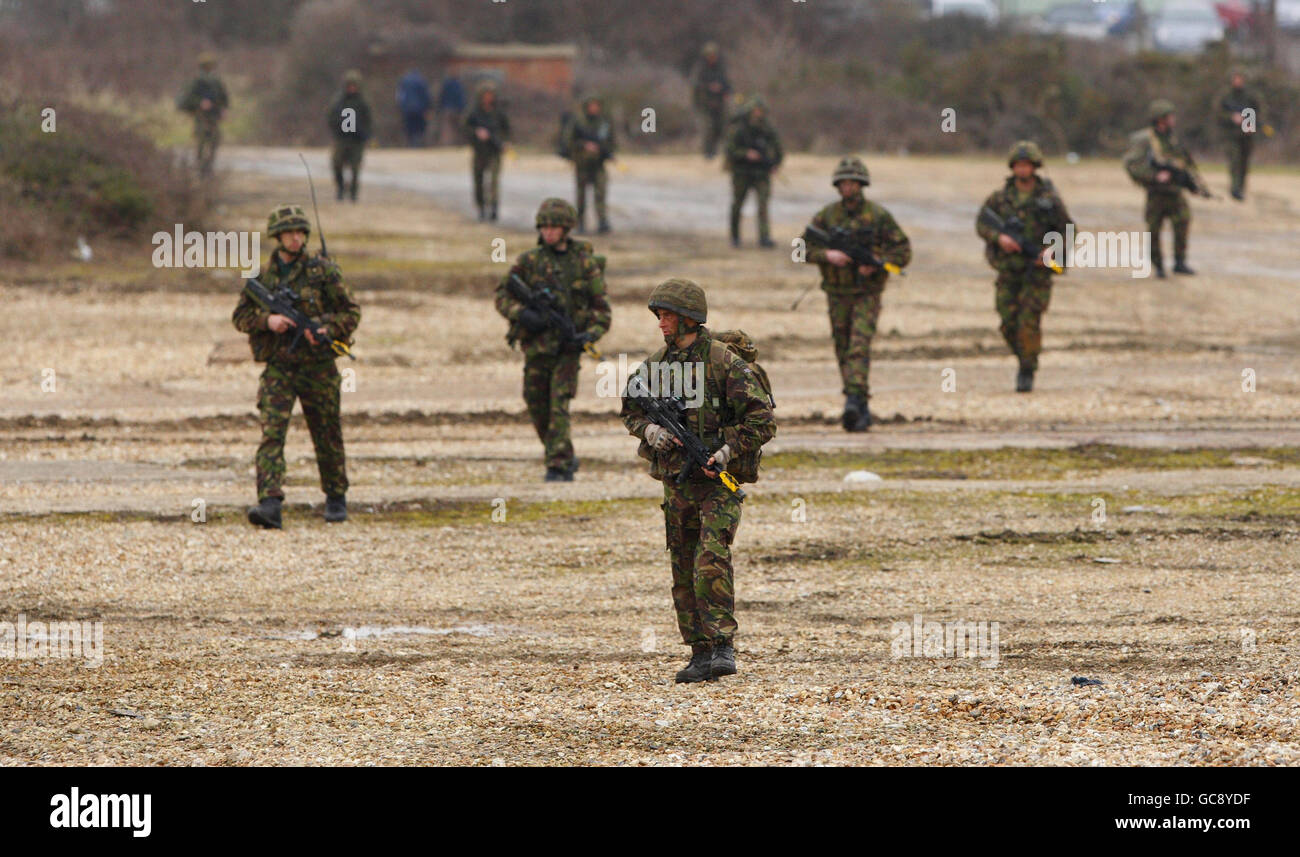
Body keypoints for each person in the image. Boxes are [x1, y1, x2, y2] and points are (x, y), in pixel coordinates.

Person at [620, 278, 776, 683]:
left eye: (667, 315)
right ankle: (699, 651)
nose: (661, 323)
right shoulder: (655, 367)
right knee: (683, 564)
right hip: (677, 483)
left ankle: (722, 644)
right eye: (659, 315)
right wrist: (651, 433)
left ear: (689, 318)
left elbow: (761, 420)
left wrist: (725, 450)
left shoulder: (725, 363)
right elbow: (631, 408)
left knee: (711, 557)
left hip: (717, 482)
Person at [232, 205, 361, 528]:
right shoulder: (263, 277)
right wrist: (268, 320)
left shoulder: (324, 272)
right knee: (272, 432)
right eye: (289, 232)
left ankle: (335, 496)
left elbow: (351, 312)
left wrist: (325, 330)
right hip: (280, 367)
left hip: (318, 366)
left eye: (300, 232)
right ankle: (270, 502)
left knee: (327, 431)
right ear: (277, 237)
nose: (295, 238)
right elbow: (240, 317)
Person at [494, 199, 610, 482]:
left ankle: (557, 465)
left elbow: (602, 312)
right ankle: (562, 454)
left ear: (566, 228)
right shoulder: (529, 261)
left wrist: (587, 336)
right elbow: (502, 294)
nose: (548, 232)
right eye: (544, 226)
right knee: (535, 403)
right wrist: (522, 314)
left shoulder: (584, 264)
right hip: (536, 345)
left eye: (554, 226)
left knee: (559, 404)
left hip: (566, 350)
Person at [804, 157, 911, 429]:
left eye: (853, 182)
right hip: (837, 292)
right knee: (842, 347)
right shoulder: (827, 216)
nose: (848, 187)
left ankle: (853, 400)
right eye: (844, 182)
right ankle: (859, 404)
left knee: (858, 346)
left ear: (861, 184)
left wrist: (875, 263)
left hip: (867, 293)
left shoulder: (878, 216)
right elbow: (802, 248)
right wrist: (827, 255)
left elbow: (902, 251)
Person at [975, 141, 1072, 393]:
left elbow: (1068, 230)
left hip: (1037, 271)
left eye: (1027, 165)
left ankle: (1027, 369)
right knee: (1007, 321)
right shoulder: (1000, 199)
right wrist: (1000, 239)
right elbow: (982, 224)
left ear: (1035, 167)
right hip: (1008, 269)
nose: (1022, 169)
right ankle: (1024, 356)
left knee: (1029, 322)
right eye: (1018, 165)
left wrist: (1053, 251)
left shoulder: (1048, 199)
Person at [1123, 99, 1207, 279]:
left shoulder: (1172, 139)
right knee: (1154, 230)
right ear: (1160, 119)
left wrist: (1195, 185)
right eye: (1169, 116)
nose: (1173, 119)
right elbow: (1131, 164)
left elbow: (1186, 163)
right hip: (1157, 193)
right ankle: (1158, 266)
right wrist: (1154, 176)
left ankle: (1179, 262)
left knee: (1183, 223)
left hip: (1175, 191)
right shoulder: (1146, 140)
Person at [725, 95, 782, 248]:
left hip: (761, 172)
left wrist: (775, 164)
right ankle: (735, 237)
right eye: (756, 111)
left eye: (761, 111)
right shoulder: (738, 129)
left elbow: (778, 148)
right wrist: (746, 154)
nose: (758, 114)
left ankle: (764, 237)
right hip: (742, 172)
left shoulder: (767, 129)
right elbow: (730, 150)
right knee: (738, 205)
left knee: (763, 205)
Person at [562, 94, 616, 234]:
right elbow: (568, 141)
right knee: (581, 195)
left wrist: (607, 152)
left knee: (601, 193)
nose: (594, 108)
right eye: (592, 106)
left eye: (596, 106)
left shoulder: (604, 123)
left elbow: (611, 142)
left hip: (599, 163)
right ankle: (580, 223)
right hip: (582, 163)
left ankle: (602, 221)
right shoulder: (578, 122)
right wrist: (584, 145)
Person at [176, 52, 229, 177]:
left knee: (215, 140)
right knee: (201, 140)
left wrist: (224, 109)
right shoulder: (196, 81)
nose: (209, 67)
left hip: (214, 115)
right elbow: (188, 98)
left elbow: (223, 97)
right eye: (207, 65)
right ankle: (200, 166)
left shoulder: (216, 81)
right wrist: (200, 102)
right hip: (201, 115)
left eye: (210, 65)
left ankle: (209, 166)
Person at [463, 81, 509, 221]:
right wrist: (476, 132)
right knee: (479, 181)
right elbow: (465, 127)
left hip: (494, 150)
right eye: (486, 95)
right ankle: (481, 208)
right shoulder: (474, 113)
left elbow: (506, 129)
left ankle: (494, 208)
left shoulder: (498, 113)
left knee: (494, 181)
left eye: (491, 95)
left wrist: (505, 142)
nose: (488, 98)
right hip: (480, 151)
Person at [1214, 70, 1263, 201]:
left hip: (1247, 135)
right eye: (1236, 78)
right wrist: (1231, 117)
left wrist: (1250, 124)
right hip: (1230, 135)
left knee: (1244, 162)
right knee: (1234, 160)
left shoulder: (1251, 96)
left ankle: (1241, 188)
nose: (1238, 81)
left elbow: (1259, 111)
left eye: (1240, 79)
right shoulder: (1225, 95)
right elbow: (1218, 113)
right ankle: (1235, 189)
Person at [328, 70, 372, 202]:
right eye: (349, 85)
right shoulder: (339, 102)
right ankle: (341, 188)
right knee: (337, 164)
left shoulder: (362, 102)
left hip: (356, 140)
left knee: (355, 167)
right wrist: (337, 129)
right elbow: (331, 117)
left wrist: (365, 134)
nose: (352, 88)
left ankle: (353, 193)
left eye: (354, 86)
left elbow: (368, 120)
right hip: (342, 139)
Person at [690, 41, 732, 158]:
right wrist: (709, 87)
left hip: (719, 103)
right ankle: (708, 152)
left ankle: (719, 150)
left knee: (721, 127)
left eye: (714, 55)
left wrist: (725, 91)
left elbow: (727, 83)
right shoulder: (700, 69)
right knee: (708, 127)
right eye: (710, 55)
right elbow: (696, 86)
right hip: (705, 103)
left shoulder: (721, 68)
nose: (712, 57)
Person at [396, 69, 432, 147]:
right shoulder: (422, 81)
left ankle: (411, 143)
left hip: (407, 108)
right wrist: (428, 107)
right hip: (420, 108)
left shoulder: (404, 81)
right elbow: (426, 95)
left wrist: (401, 106)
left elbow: (400, 96)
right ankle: (418, 142)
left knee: (409, 127)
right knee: (419, 126)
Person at [436, 74, 466, 147]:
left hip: (447, 108)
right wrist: (462, 108)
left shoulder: (446, 85)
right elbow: (461, 97)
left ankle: (448, 144)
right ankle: (457, 142)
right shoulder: (459, 85)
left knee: (447, 128)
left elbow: (442, 96)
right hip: (457, 109)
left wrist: (440, 107)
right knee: (457, 127)